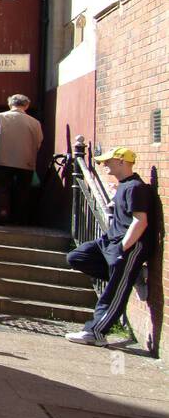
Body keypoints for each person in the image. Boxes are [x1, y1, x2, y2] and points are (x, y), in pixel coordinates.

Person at [64, 148, 152, 346]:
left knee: (112, 291)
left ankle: (96, 332)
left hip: (126, 245)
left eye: (109, 161)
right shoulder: (125, 186)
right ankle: (131, 276)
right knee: (76, 257)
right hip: (109, 241)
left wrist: (123, 247)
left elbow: (141, 221)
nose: (105, 165)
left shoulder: (135, 188)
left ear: (122, 162)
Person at [0, 94, 44, 224]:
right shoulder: (35, 122)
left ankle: (3, 213)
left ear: (10, 104)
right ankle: (19, 219)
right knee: (23, 191)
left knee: (2, 189)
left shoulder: (0, 117)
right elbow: (38, 142)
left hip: (2, 161)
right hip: (26, 163)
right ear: (26, 105)